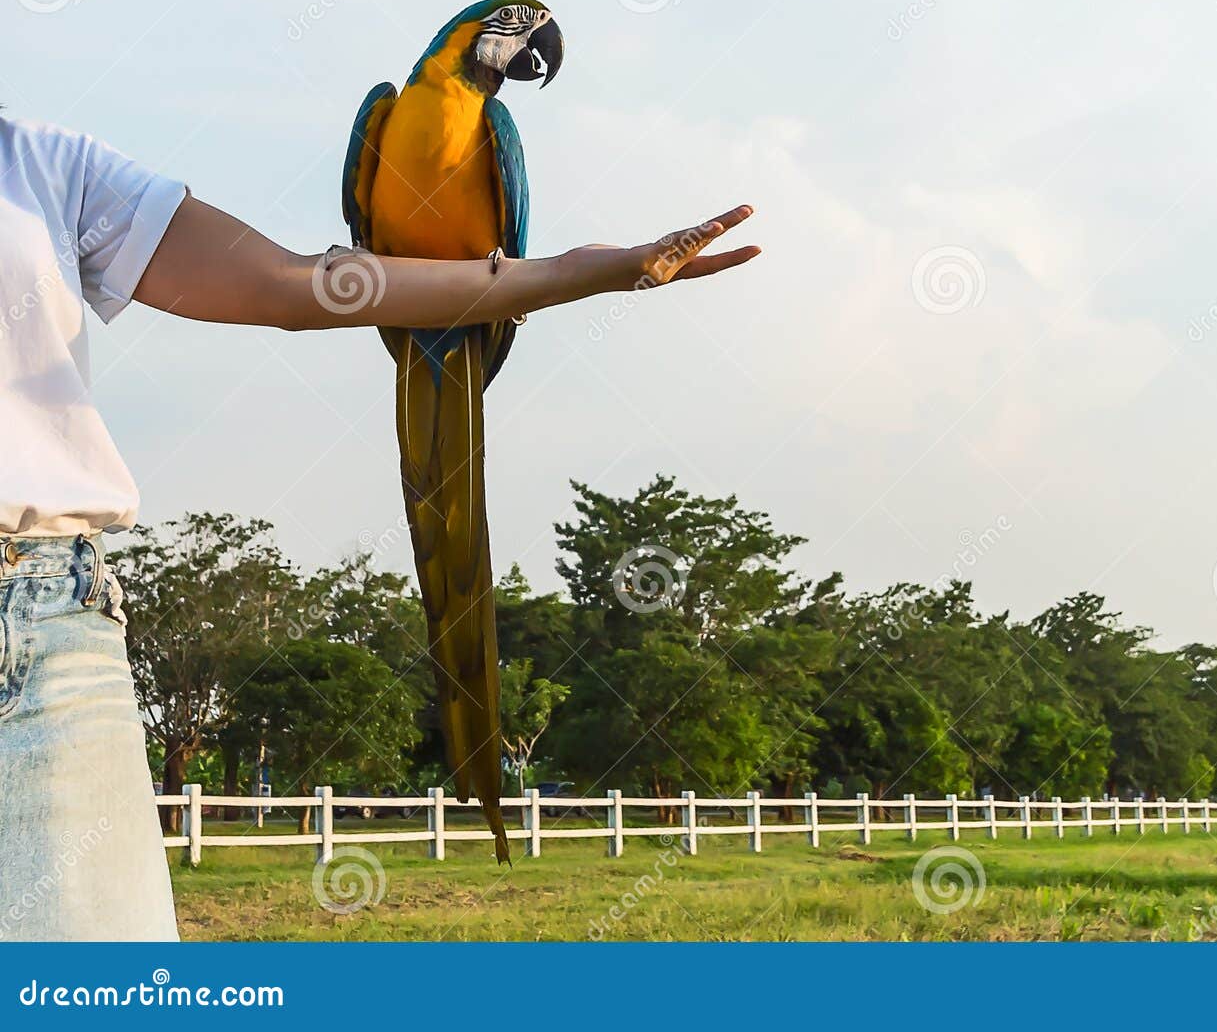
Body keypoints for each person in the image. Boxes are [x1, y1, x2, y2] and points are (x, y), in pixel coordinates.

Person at [0, 114, 760, 940]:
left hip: (45, 622)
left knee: (103, 989)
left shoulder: (40, 164)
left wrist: (575, 272)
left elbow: (292, 285)